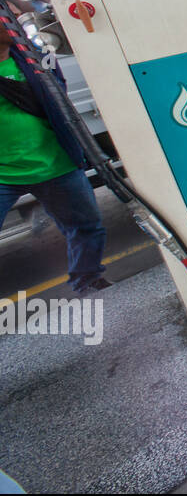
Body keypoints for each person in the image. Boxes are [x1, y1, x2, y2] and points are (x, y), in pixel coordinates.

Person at [0, 23, 109, 294]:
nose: (10, 24)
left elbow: (59, 91)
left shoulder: (33, 56)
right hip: (4, 174)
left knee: (86, 226)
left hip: (56, 163)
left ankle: (88, 280)